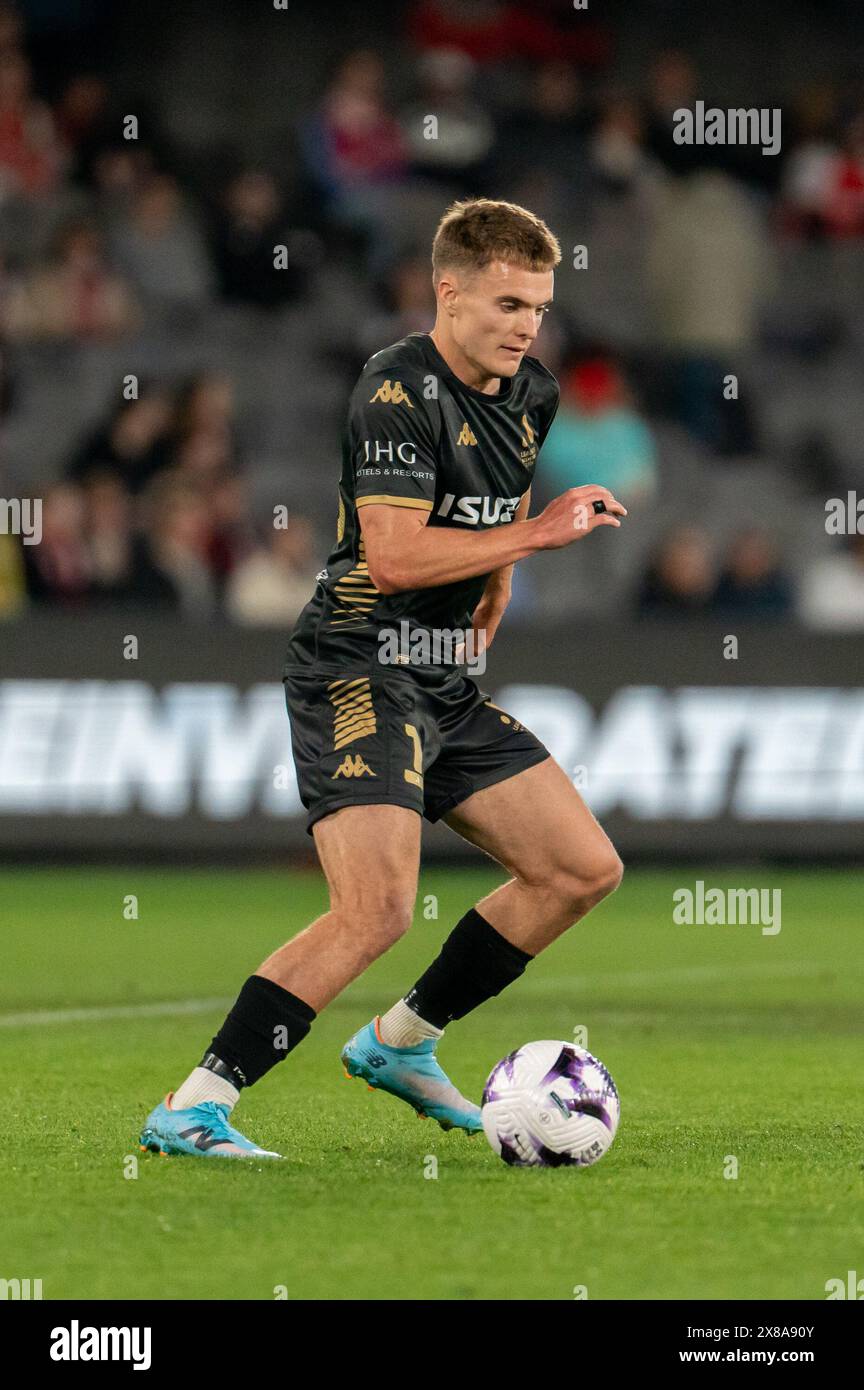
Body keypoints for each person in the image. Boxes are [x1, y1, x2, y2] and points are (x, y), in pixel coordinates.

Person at [139, 197, 627, 1160]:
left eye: (538, 306)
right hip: (358, 665)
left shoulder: (530, 390)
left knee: (580, 869)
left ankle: (402, 1042)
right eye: (506, 304)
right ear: (448, 293)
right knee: (377, 910)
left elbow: (505, 485)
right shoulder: (395, 392)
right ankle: (193, 1106)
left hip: (440, 676)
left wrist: (500, 571)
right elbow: (396, 558)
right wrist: (535, 535)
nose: (527, 325)